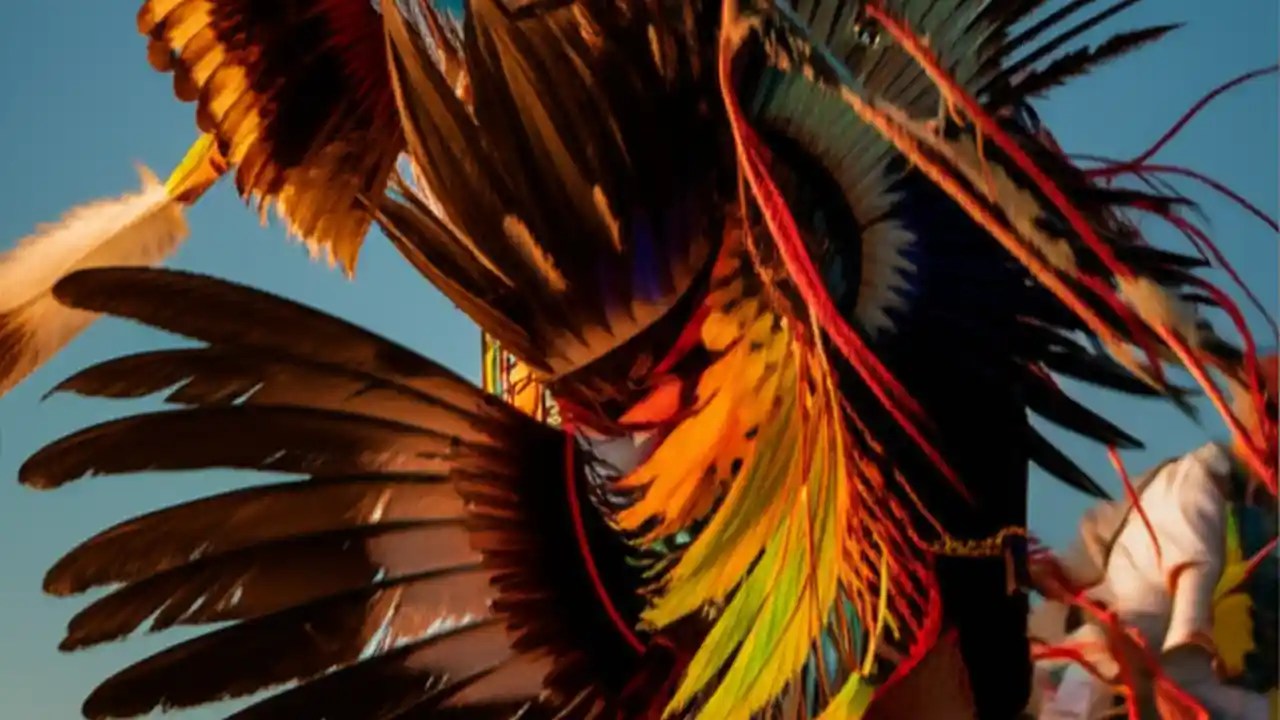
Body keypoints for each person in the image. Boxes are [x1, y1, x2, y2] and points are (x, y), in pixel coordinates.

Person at [1030, 354, 1278, 720]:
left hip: (1176, 674)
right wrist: (1166, 684)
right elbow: (1189, 584)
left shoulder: (1250, 520)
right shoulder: (1196, 483)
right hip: (1113, 662)